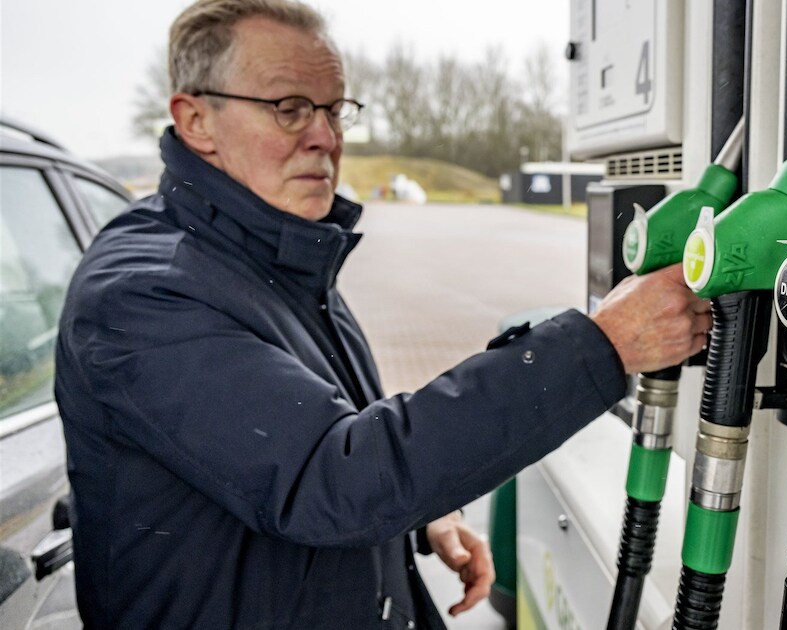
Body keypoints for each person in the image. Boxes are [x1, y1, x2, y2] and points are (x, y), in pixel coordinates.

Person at [53, 1, 711, 628]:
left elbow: (315, 437)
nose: (325, 137)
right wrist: (602, 347)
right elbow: (331, 478)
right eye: (289, 108)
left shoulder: (272, 255)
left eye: (334, 109)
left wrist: (422, 518)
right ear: (196, 121)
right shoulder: (145, 295)